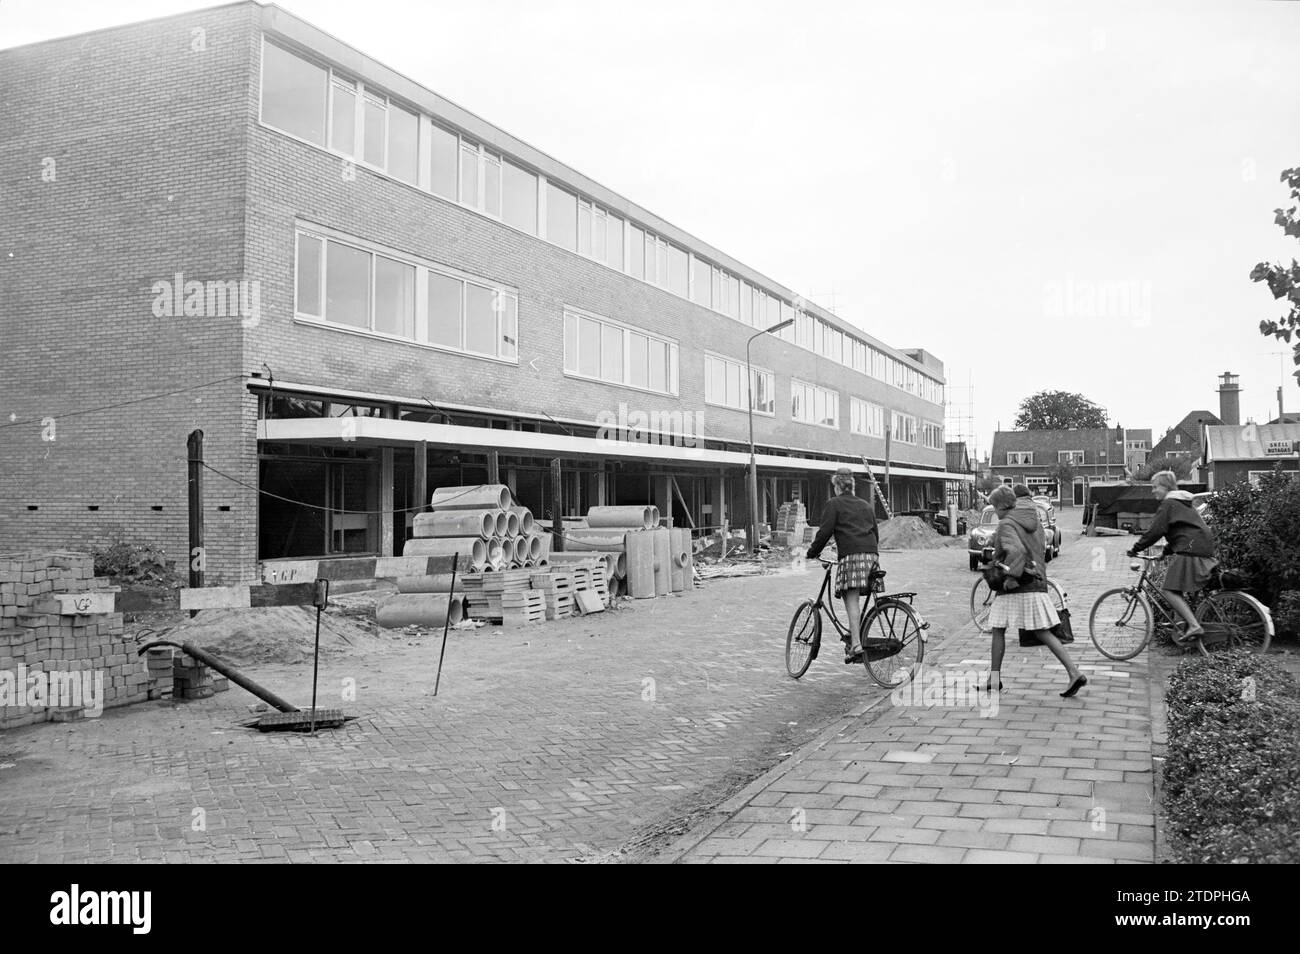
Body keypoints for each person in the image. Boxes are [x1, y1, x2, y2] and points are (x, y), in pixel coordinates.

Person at [985, 484, 1086, 698]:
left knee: (997, 628)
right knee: (1042, 631)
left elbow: (1017, 550)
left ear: (1002, 505)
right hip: (1036, 580)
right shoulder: (1034, 521)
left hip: (1017, 584)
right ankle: (1073, 672)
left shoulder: (1006, 523)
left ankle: (995, 680)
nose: (993, 510)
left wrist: (1011, 577)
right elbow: (1039, 547)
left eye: (994, 505)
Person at [1127, 470, 1217, 642]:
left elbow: (1156, 530)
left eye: (1155, 487)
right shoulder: (1181, 502)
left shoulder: (1169, 503)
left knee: (1168, 590)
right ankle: (1183, 632)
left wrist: (1135, 548)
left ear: (1165, 487)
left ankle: (1193, 625)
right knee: (1176, 589)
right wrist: (1165, 552)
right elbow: (1181, 530)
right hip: (1198, 544)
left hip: (1192, 548)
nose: (1153, 491)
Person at [806, 467, 880, 663]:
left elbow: (824, 532)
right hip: (871, 556)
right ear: (852, 486)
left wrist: (812, 552)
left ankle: (856, 644)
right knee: (856, 599)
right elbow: (876, 533)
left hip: (852, 557)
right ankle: (856, 637)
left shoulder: (834, 504)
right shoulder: (865, 505)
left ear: (838, 486)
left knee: (852, 600)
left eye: (834, 487)